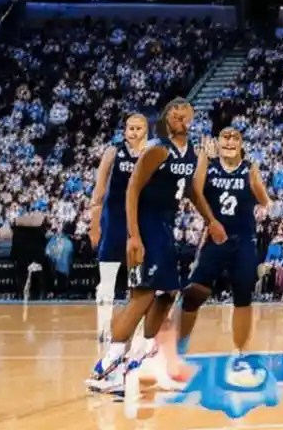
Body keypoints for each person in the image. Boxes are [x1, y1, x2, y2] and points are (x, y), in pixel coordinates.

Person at [86, 98, 226, 393]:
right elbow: (132, 189)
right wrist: (133, 236)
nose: (179, 119)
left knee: (168, 293)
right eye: (173, 115)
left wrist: (211, 220)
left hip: (164, 226)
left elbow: (192, 191)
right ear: (165, 120)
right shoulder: (157, 149)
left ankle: (141, 358)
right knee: (142, 295)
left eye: (183, 115)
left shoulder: (190, 154)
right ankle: (106, 368)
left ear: (192, 118)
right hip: (146, 225)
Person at [176, 127, 271, 378]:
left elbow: (264, 200)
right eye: (225, 137)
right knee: (194, 292)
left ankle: (241, 353)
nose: (229, 141)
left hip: (244, 242)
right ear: (216, 143)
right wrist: (202, 160)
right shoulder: (208, 165)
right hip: (215, 239)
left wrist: (260, 188)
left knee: (243, 298)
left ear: (241, 144)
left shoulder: (249, 168)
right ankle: (179, 347)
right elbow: (194, 191)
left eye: (235, 138)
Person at [88, 113, 148, 343]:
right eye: (130, 128)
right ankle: (104, 328)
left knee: (137, 282)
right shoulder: (113, 152)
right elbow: (99, 190)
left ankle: (136, 329)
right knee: (107, 281)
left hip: (139, 225)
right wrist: (95, 225)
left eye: (138, 128)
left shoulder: (152, 155)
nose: (133, 132)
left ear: (146, 131)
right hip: (113, 222)